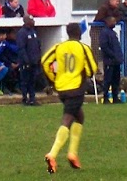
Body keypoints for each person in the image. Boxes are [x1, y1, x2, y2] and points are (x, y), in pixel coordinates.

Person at [42, 22, 99, 173]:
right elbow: (92, 68)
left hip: (62, 88)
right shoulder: (83, 48)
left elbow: (45, 61)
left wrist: (53, 78)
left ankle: (73, 154)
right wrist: (84, 73)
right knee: (68, 118)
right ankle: (52, 154)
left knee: (79, 116)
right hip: (76, 88)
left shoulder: (58, 47)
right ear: (79, 33)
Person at [15, 16, 42, 105]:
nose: (33, 21)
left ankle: (32, 99)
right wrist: (26, 60)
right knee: (25, 81)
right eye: (31, 20)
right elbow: (21, 48)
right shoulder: (21, 33)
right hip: (26, 62)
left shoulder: (33, 32)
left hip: (34, 61)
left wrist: (38, 58)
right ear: (26, 21)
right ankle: (24, 99)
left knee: (32, 81)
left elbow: (38, 45)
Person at [95, 19, 123, 102]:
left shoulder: (113, 33)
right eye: (113, 21)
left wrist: (118, 57)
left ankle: (115, 97)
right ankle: (105, 97)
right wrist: (112, 55)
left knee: (116, 80)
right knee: (108, 79)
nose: (115, 23)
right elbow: (104, 46)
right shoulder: (104, 33)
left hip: (116, 61)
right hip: (109, 61)